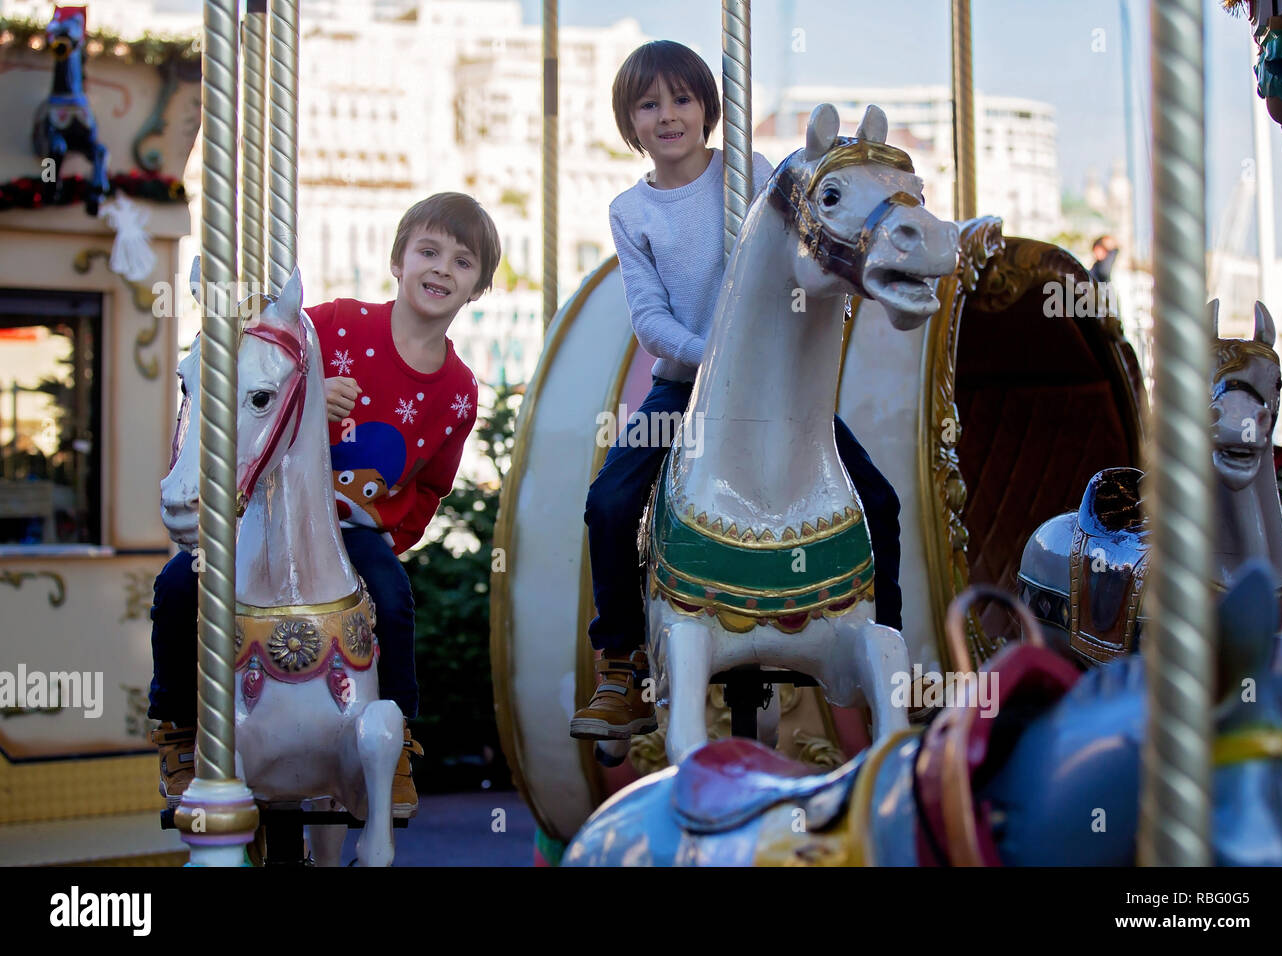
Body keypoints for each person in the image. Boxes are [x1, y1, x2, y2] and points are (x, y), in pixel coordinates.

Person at [569, 40, 904, 741]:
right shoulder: (632, 211)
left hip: (776, 398)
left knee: (879, 498)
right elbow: (651, 318)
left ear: (709, 109)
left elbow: (815, 210)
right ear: (629, 123)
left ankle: (890, 651)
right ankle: (623, 661)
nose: (668, 115)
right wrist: (714, 361)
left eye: (682, 99)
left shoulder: (747, 173)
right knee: (609, 502)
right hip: (682, 392)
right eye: (649, 104)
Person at [149, 193, 501, 818]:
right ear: (398, 260)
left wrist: (391, 538)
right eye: (429, 251)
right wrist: (311, 384)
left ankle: (398, 742)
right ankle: (177, 726)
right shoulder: (335, 324)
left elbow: (432, 486)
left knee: (392, 597)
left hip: (352, 532)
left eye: (463, 261)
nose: (442, 268)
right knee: (180, 582)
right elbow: (266, 354)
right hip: (274, 507)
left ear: (478, 287)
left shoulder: (457, 390)